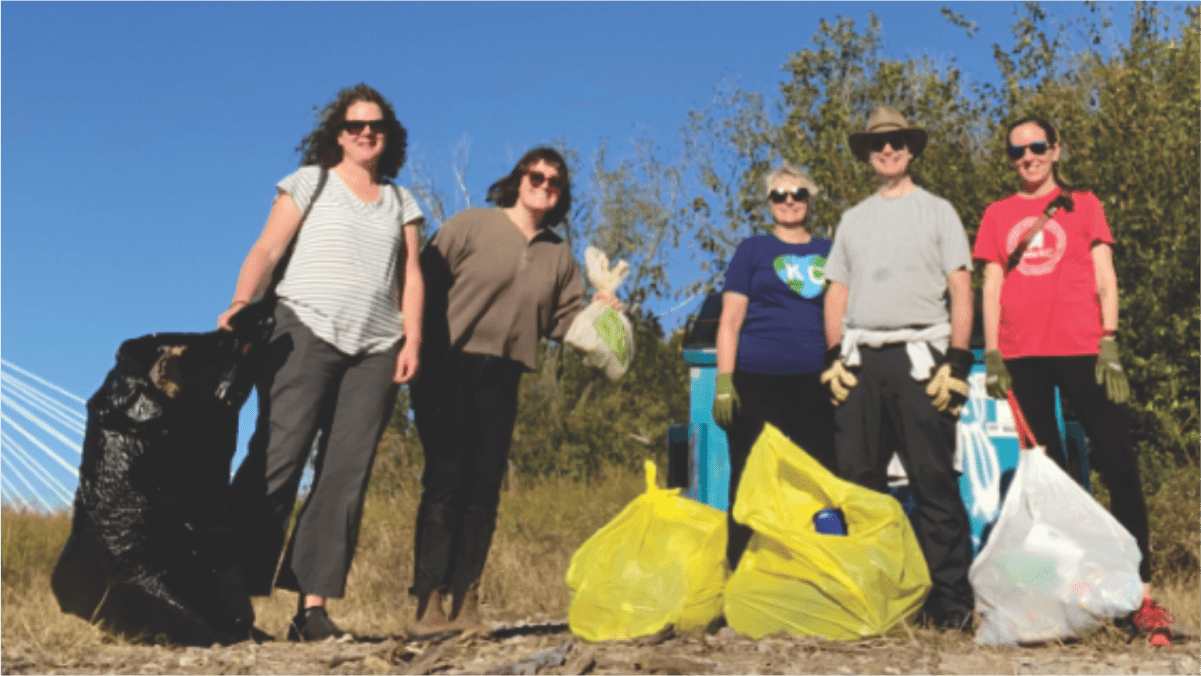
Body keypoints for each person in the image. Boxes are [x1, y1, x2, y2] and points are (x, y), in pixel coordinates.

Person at [218, 84, 425, 641]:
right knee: (278, 457)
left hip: (377, 346)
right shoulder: (310, 182)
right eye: (355, 124)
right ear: (339, 133)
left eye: (376, 125)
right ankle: (228, 600)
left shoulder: (402, 202)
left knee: (345, 474)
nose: (366, 132)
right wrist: (241, 303)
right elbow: (267, 249)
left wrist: (412, 341)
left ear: (388, 135)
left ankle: (312, 610)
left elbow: (411, 277)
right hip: (304, 329)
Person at [974, 116, 1174, 645]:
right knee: (1051, 478)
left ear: (1056, 150)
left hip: (1084, 348)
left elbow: (1105, 273)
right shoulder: (997, 215)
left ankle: (1142, 597)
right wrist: (992, 352)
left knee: (1117, 461)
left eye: (1037, 147)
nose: (1028, 157)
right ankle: (1069, 600)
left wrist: (1110, 339)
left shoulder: (1084, 204)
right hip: (1021, 356)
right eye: (1018, 151)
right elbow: (991, 285)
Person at [408, 147, 620, 637]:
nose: (543, 186)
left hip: (504, 375)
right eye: (536, 176)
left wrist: (602, 311)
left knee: (483, 489)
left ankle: (467, 599)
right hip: (446, 365)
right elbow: (423, 283)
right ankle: (427, 602)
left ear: (561, 195)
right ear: (517, 179)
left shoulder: (558, 255)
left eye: (554, 183)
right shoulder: (472, 225)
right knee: (445, 481)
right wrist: (412, 348)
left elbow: (565, 324)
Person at [822, 106, 975, 630]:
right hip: (862, 361)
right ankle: (874, 601)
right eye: (878, 144)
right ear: (867, 153)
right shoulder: (852, 219)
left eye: (897, 142)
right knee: (860, 483)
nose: (888, 150)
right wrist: (832, 357)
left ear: (911, 149)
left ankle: (950, 606)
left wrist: (957, 360)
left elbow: (960, 287)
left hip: (922, 358)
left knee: (933, 480)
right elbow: (836, 291)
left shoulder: (939, 211)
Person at [713, 162, 837, 570]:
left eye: (797, 194)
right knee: (749, 478)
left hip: (815, 381)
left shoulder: (828, 251)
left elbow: (842, 314)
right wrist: (724, 382)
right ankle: (740, 576)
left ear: (810, 200)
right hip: (756, 380)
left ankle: (819, 574)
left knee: (820, 479)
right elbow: (730, 321)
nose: (789, 201)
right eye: (779, 195)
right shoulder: (753, 251)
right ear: (768, 203)